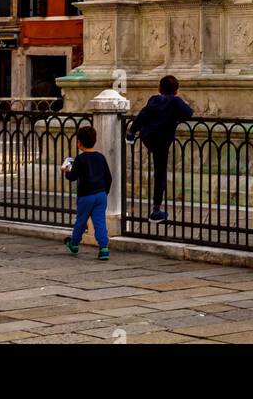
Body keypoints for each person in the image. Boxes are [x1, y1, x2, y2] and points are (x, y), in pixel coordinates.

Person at [127, 74, 194, 222]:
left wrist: (132, 131)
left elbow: (143, 114)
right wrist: (177, 118)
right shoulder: (175, 101)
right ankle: (156, 210)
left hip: (147, 136)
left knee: (159, 169)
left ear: (159, 89)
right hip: (162, 140)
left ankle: (130, 135)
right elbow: (189, 113)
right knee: (160, 173)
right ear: (176, 90)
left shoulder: (153, 99)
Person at [63, 124, 112, 260]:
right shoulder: (101, 157)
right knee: (100, 222)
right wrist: (105, 192)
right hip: (101, 195)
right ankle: (104, 248)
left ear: (79, 143)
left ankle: (74, 243)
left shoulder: (80, 159)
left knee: (81, 221)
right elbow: (108, 177)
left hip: (86, 196)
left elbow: (72, 177)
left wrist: (66, 171)